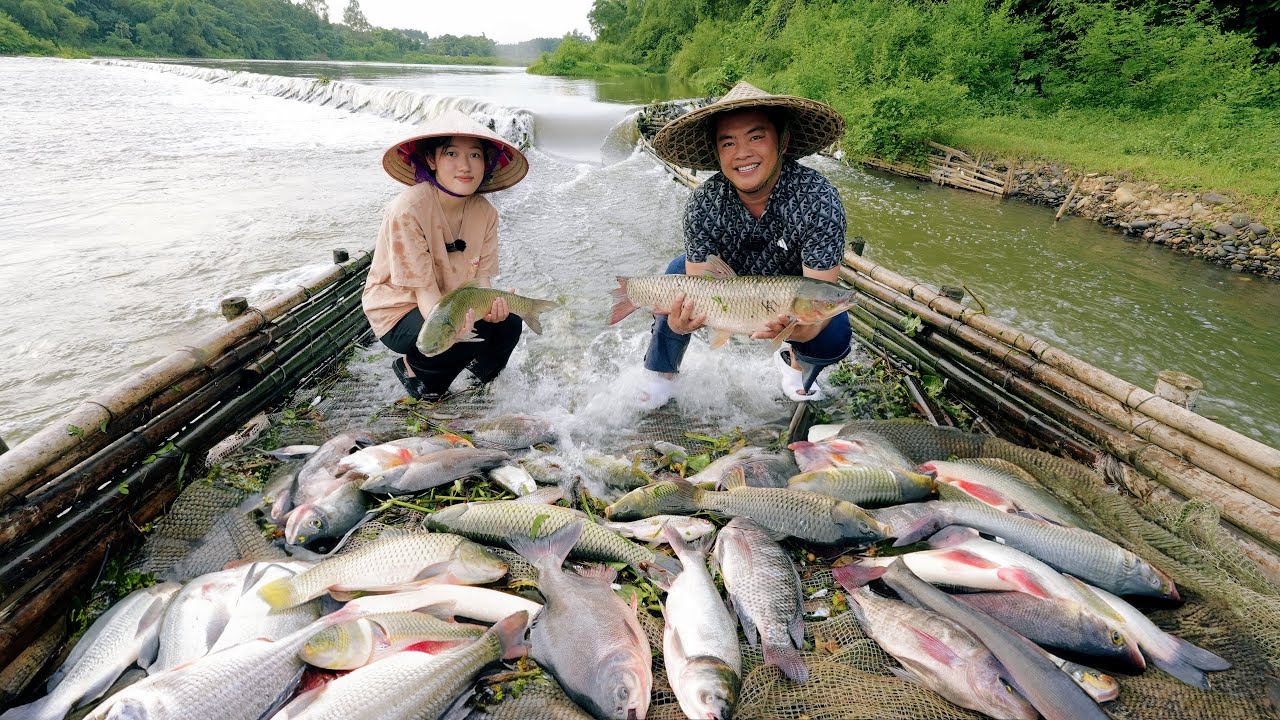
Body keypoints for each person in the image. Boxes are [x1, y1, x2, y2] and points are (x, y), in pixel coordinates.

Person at [636, 81, 852, 409]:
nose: (742, 153)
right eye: (728, 143)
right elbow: (699, 283)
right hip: (728, 281)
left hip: (791, 283)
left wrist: (796, 331)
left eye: (756, 137)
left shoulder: (819, 199)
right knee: (677, 278)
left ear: (783, 141)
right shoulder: (703, 203)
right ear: (717, 152)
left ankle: (794, 365)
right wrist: (682, 322)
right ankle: (660, 373)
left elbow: (819, 292)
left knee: (833, 332)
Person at [363, 109, 529, 400]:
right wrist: (459, 329)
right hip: (400, 309)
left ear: (486, 162)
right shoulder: (407, 210)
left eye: (475, 155)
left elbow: (481, 284)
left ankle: (477, 379)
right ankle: (413, 368)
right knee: (456, 335)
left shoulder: (487, 213)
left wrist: (492, 309)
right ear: (431, 160)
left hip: (454, 300)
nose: (465, 166)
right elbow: (425, 292)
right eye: (451, 153)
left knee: (510, 323)